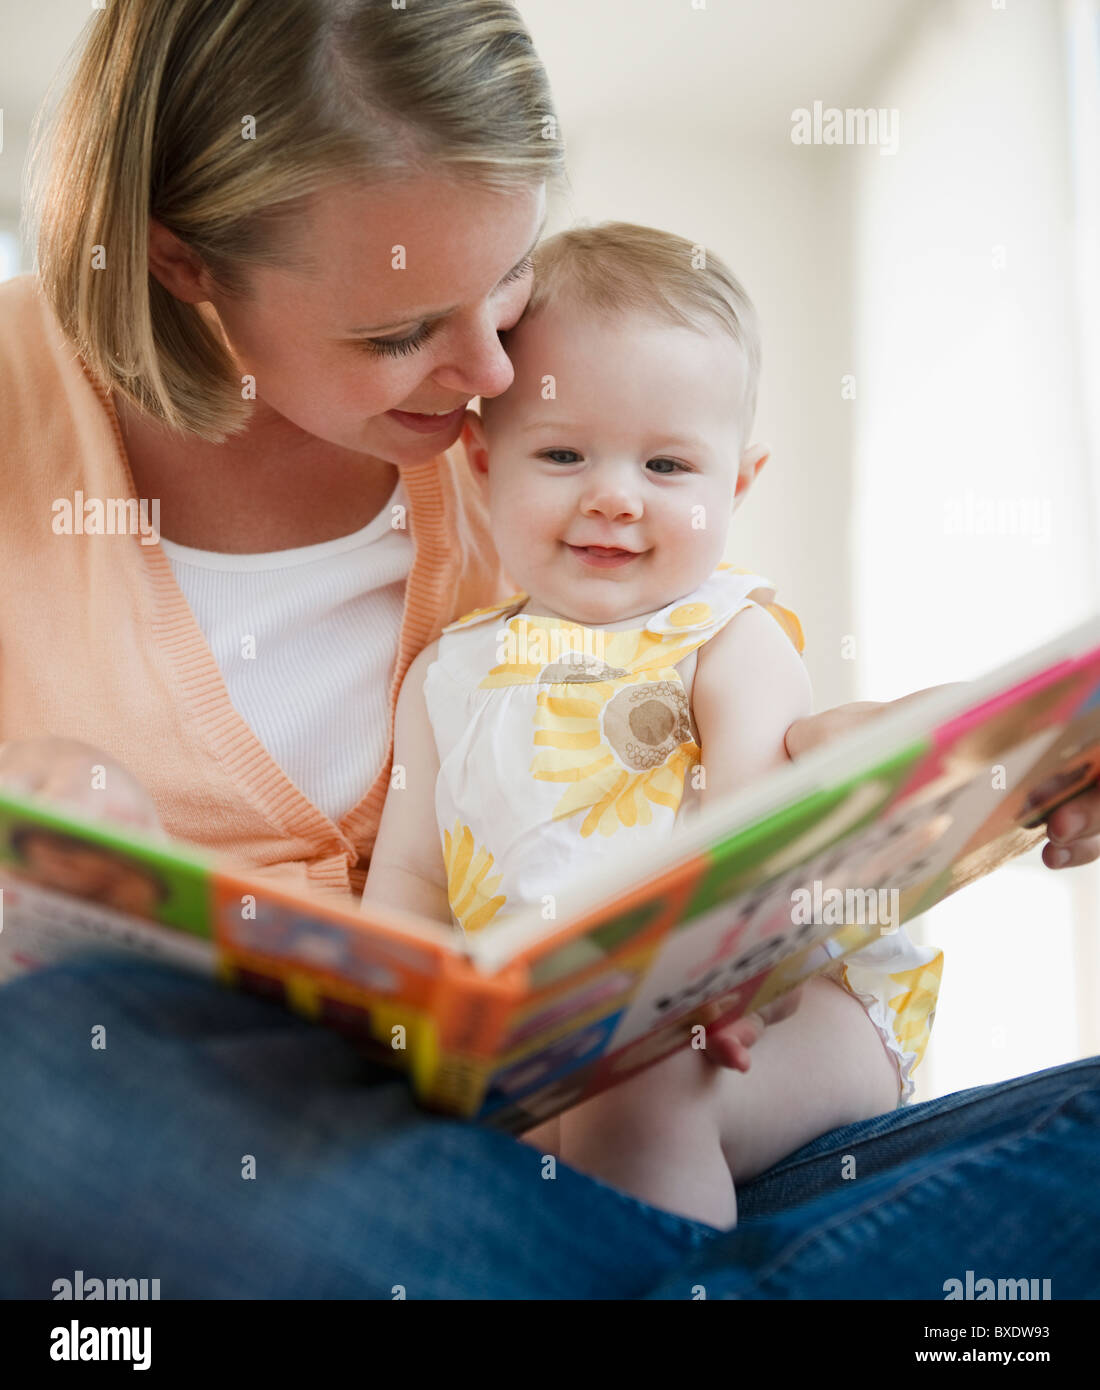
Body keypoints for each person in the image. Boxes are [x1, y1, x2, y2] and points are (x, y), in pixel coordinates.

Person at [0, 0, 1097, 1298]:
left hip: (618, 1138)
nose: (487, 374)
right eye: (399, 328)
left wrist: (1002, 755)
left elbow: (768, 760)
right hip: (276, 1163)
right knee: (41, 1085)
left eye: (508, 279)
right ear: (180, 263)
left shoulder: (558, 461)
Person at [360, 221, 937, 1230]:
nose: (615, 497)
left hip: (788, 1008)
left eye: (667, 466)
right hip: (566, 1032)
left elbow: (751, 849)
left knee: (637, 1088)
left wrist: (729, 984)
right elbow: (411, 881)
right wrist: (395, 1026)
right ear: (482, 464)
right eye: (564, 452)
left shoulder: (730, 638)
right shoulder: (443, 678)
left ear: (736, 485)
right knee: (464, 1125)